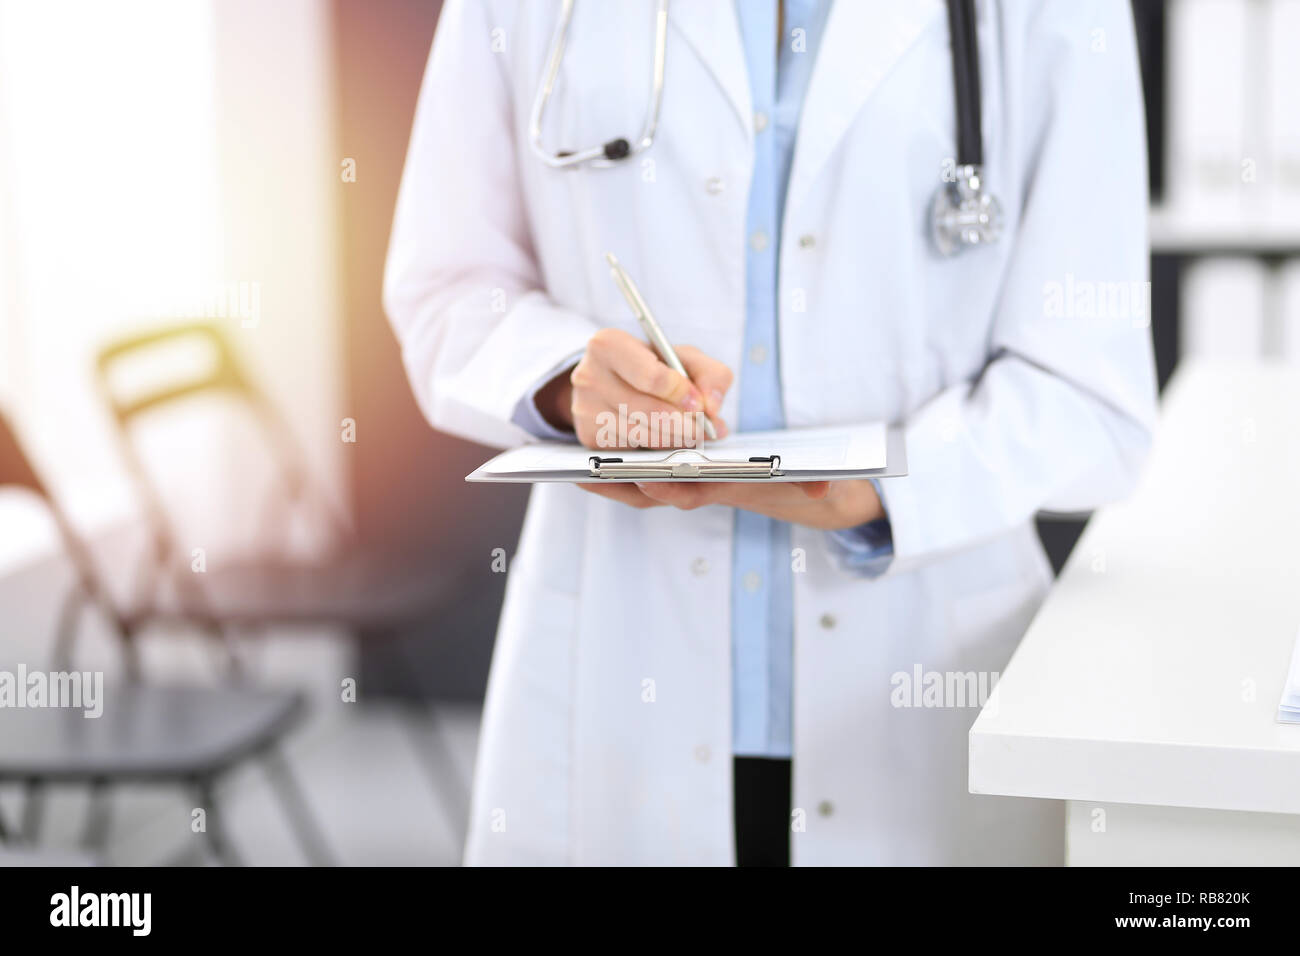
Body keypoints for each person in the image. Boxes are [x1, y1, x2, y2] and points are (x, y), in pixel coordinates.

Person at [384, 0, 1156, 866]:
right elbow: (447, 288)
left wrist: (890, 490)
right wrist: (569, 383)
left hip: (920, 676)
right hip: (620, 674)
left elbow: (1089, 390)